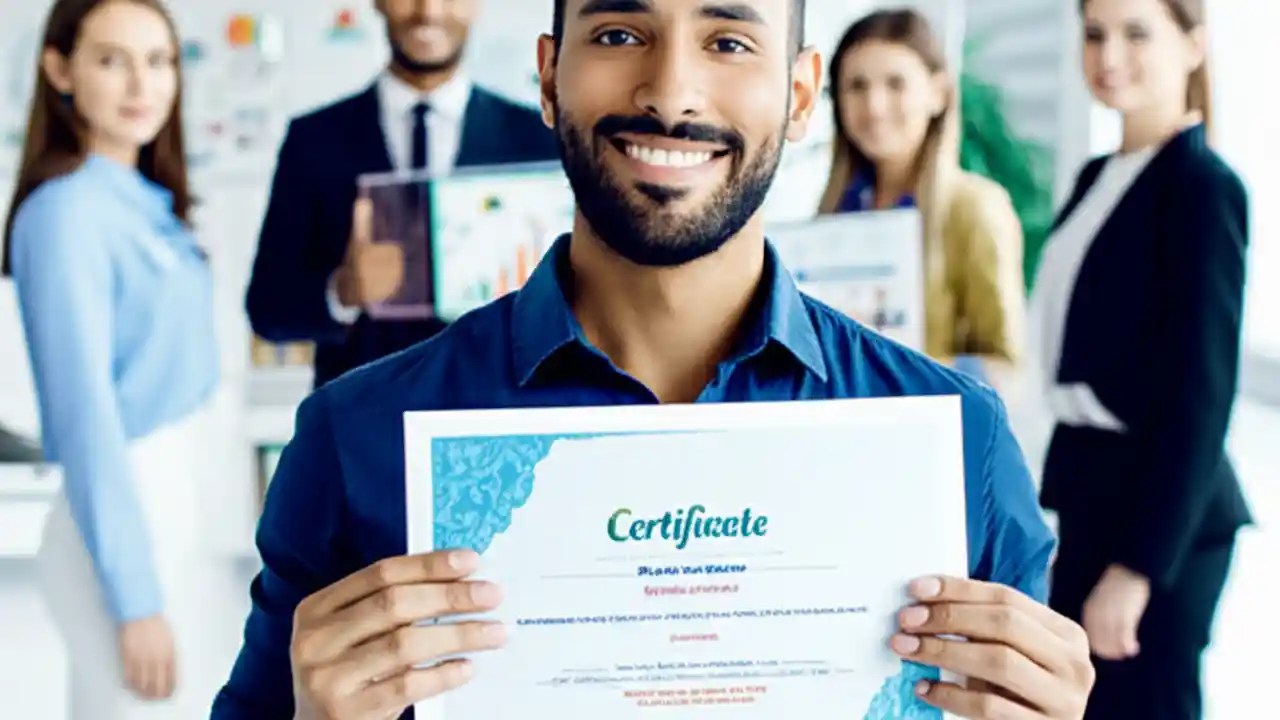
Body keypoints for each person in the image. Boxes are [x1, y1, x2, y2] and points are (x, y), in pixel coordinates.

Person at [214, 1, 1095, 717]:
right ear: (549, 76)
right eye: (620, 34)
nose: (671, 91)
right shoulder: (356, 438)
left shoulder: (957, 441)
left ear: (798, 93)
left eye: (727, 40)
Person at [3, 0, 235, 716]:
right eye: (112, 59)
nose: (143, 84)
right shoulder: (65, 213)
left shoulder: (148, 201)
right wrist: (134, 601)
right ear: (59, 70)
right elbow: (85, 419)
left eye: (159, 60)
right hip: (125, 519)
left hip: (180, 510)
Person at [1030, 1, 1252, 717]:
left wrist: (1137, 568)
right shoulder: (1100, 175)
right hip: (1094, 492)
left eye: (1135, 33)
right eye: (1094, 35)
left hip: (1158, 524)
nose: (1108, 54)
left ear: (1192, 45)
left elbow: (1202, 396)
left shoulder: (1202, 188)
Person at [245, 0, 559, 388]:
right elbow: (267, 308)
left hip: (495, 413)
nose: (428, 11)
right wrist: (341, 292)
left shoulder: (540, 141)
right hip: (359, 417)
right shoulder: (313, 139)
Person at [818, 9, 1025, 391]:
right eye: (857, 86)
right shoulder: (835, 211)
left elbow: (1007, 370)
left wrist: (906, 369)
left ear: (938, 94)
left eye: (895, 84)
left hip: (931, 435)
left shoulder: (974, 208)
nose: (874, 106)